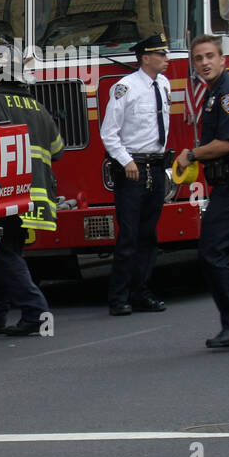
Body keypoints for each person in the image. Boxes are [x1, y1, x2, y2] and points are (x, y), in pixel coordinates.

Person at [0, 43, 65, 336]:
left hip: (5, 195)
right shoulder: (38, 107)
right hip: (35, 197)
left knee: (3, 255)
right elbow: (58, 151)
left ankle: (36, 312)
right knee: (6, 254)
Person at [174, 34, 229, 347]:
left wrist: (191, 154)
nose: (204, 63)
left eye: (209, 56)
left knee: (213, 250)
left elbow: (228, 143)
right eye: (198, 58)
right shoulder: (214, 94)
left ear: (222, 59)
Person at [100, 33, 171, 316]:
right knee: (129, 235)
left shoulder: (163, 84)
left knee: (148, 235)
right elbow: (109, 132)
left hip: (155, 166)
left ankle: (141, 291)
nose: (166, 58)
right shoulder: (124, 87)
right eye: (161, 54)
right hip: (132, 169)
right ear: (145, 58)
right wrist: (126, 161)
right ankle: (118, 297)